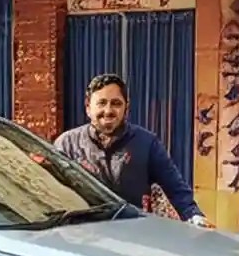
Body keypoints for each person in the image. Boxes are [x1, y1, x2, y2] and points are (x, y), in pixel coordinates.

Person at [54, 73, 213, 228]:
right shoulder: (67, 144)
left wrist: (194, 216)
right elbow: (49, 192)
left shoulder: (146, 143)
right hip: (83, 238)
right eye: (101, 103)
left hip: (133, 236)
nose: (108, 110)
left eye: (116, 103)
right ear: (88, 107)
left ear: (126, 108)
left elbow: (176, 188)